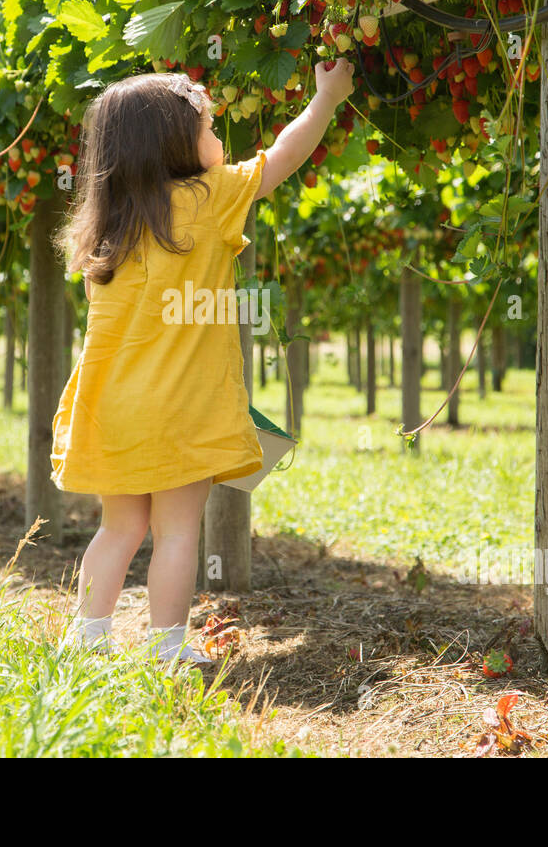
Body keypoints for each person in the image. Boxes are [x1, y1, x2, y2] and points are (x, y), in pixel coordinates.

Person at [51, 59, 355, 663]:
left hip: (113, 408)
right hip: (182, 410)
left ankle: (85, 639)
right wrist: (325, 99)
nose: (219, 141)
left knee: (118, 529)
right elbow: (281, 158)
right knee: (178, 532)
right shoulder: (208, 200)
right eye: (209, 130)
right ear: (175, 146)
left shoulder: (106, 226)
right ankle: (167, 649)